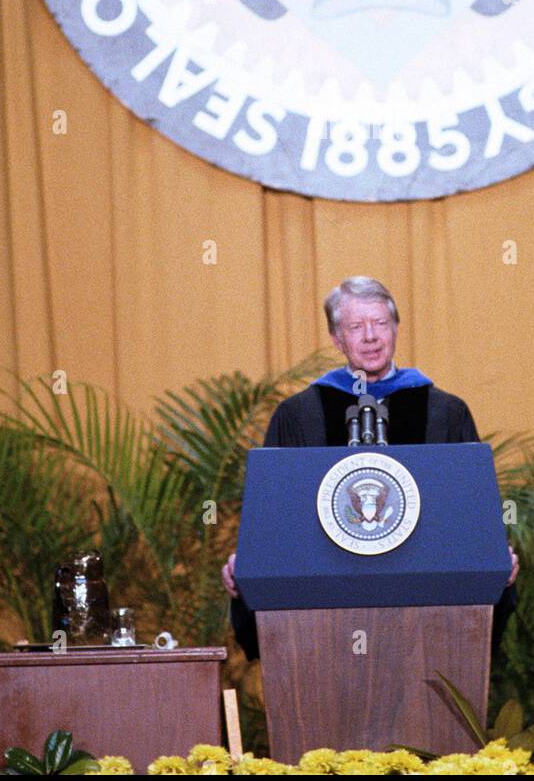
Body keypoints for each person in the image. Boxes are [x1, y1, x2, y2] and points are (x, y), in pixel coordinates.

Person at [222, 275, 519, 659]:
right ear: (336, 339)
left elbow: (468, 510)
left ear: (396, 328)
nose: (371, 336)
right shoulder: (299, 415)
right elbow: (277, 516)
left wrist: (493, 553)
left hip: (425, 608)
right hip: (325, 613)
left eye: (380, 323)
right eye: (356, 327)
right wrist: (248, 562)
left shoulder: (444, 411)